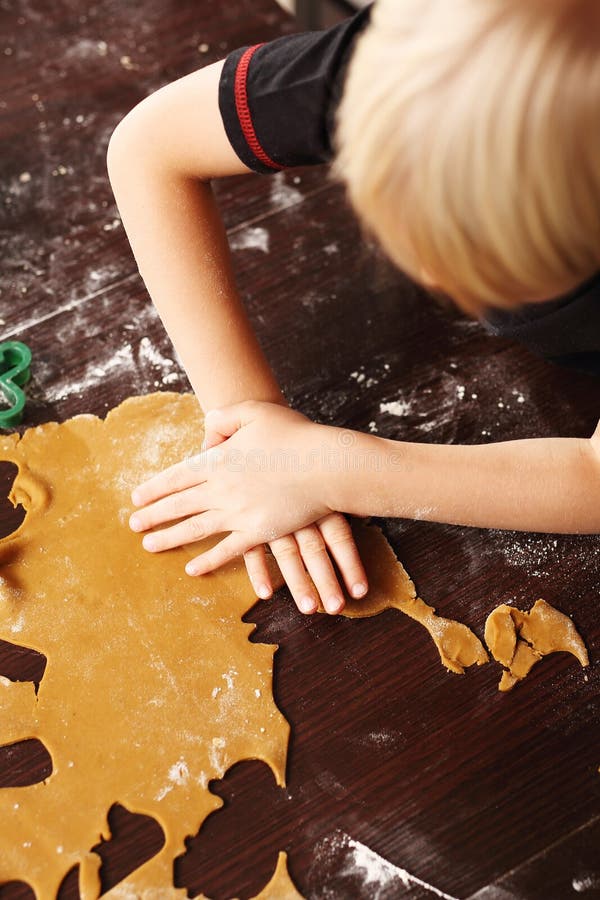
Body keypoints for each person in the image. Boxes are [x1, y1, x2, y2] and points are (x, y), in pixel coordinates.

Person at [106, 0, 600, 618]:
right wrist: (249, 420)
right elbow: (147, 147)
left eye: (501, 259)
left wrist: (327, 469)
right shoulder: (420, 61)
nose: (428, 274)